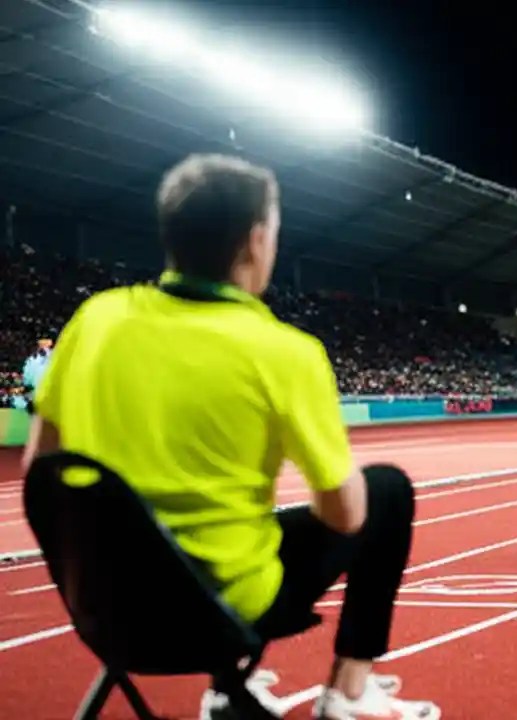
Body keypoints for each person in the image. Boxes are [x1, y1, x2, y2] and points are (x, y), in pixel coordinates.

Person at [22, 154, 440, 720]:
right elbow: (345, 516)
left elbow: (39, 473)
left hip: (105, 608)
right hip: (221, 611)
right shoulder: (285, 351)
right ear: (257, 239)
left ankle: (229, 688)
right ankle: (347, 692)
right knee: (385, 492)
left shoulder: (96, 320)